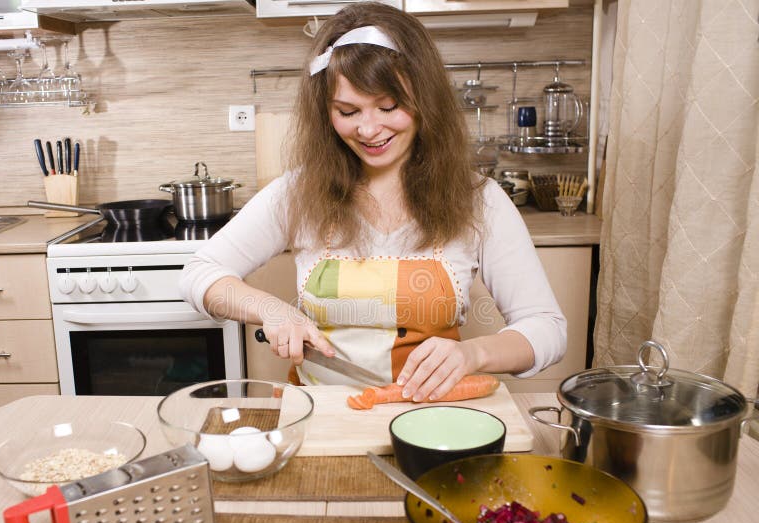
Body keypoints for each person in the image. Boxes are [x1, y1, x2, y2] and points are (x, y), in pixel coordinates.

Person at [180, 2, 566, 402]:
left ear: (424, 100)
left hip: (433, 421)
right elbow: (199, 273)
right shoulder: (298, 192)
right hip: (319, 417)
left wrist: (474, 352)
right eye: (347, 111)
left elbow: (546, 328)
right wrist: (270, 309)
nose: (368, 129)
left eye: (388, 107)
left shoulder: (480, 201)